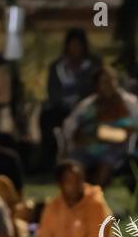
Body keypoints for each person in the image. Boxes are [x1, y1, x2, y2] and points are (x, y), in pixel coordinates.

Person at [61, 66, 138, 187]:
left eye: (112, 81)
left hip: (116, 150)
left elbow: (136, 130)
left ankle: (93, 199)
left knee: (105, 164)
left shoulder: (129, 104)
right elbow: (72, 129)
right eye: (104, 82)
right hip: (86, 148)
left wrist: (100, 134)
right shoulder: (88, 106)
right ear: (96, 85)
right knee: (72, 167)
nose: (109, 85)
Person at [29, 159, 114, 237]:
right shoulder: (52, 207)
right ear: (60, 184)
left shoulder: (96, 204)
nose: (76, 186)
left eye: (79, 180)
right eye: (70, 182)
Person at [40, 28, 100, 169]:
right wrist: (64, 102)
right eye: (72, 45)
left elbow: (94, 90)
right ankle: (48, 163)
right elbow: (52, 91)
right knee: (47, 117)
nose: (75, 49)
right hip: (62, 108)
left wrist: (80, 102)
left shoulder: (93, 65)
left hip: (86, 109)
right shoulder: (57, 66)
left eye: (78, 45)